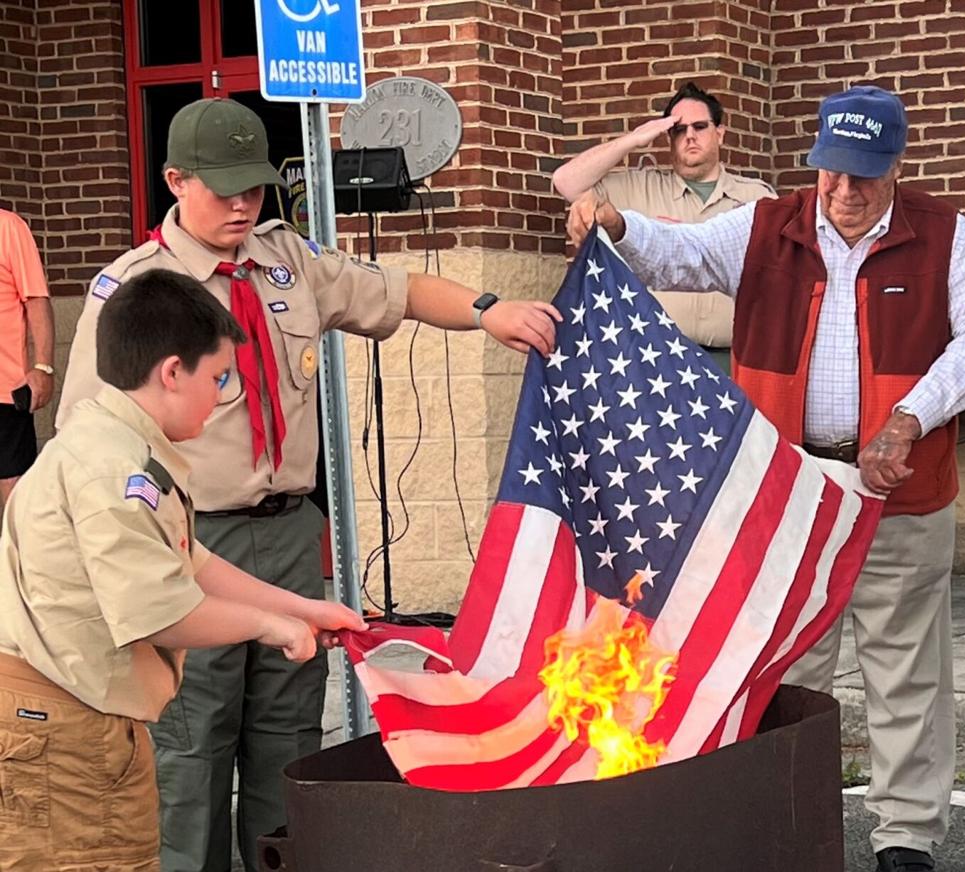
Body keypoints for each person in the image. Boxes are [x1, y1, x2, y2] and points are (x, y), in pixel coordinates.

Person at [55, 98, 561, 872]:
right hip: (191, 543)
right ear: (176, 181)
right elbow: (83, 442)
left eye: (254, 186)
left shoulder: (286, 259)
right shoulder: (135, 290)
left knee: (289, 740)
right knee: (191, 747)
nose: (242, 204)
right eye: (224, 187)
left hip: (290, 534)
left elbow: (397, 290)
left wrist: (489, 309)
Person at [590, 86, 965, 872]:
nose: (843, 191)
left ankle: (906, 839)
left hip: (901, 489)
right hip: (789, 491)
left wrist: (908, 420)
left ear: (896, 165)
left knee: (907, 669)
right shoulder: (765, 225)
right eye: (831, 171)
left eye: (863, 175)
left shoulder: (948, 234)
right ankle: (789, 824)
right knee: (785, 665)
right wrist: (616, 224)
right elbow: (678, 252)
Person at [0, 269, 367, 871]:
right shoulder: (113, 471)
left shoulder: (122, 445)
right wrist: (271, 628)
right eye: (218, 378)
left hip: (81, 717)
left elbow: (190, 564)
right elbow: (157, 612)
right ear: (172, 372)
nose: (223, 396)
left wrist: (301, 608)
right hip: (62, 730)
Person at [552, 81, 775, 371]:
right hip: (659, 364)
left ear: (720, 133)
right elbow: (566, 182)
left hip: (732, 361)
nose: (690, 136)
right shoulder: (641, 188)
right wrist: (634, 139)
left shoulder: (756, 198)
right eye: (679, 130)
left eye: (700, 126)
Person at [0, 208, 53, 505]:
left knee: (16, 492)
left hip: (5, 390)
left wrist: (43, 367)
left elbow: (36, 299)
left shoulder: (8, 227)